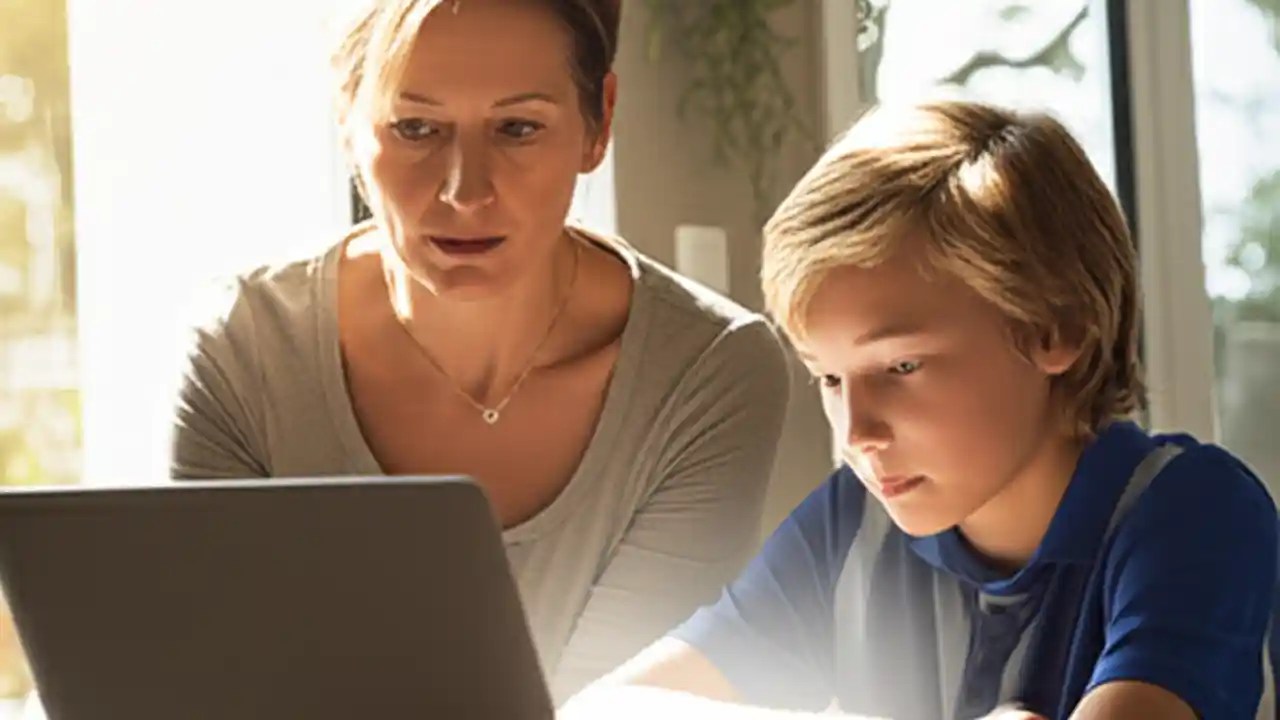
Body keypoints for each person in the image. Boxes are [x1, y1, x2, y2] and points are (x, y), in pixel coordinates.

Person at [561, 101, 1279, 719]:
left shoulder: (1192, 511)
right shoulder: (855, 522)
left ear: (1056, 329)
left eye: (901, 367)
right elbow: (603, 708)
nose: (858, 434)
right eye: (830, 380)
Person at [169, 0, 789, 701]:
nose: (465, 190)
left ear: (599, 122)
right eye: (416, 128)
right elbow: (211, 691)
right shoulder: (244, 354)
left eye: (518, 128)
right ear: (347, 118)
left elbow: (619, 711)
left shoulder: (709, 372)